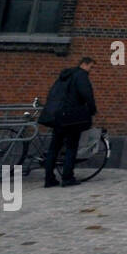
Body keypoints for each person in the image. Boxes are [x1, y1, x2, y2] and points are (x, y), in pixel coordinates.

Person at [42, 57, 97, 187]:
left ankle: (49, 178)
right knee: (71, 147)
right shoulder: (81, 76)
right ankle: (67, 177)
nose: (91, 70)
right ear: (84, 64)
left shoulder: (65, 76)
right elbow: (86, 94)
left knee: (54, 148)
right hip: (71, 118)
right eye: (91, 67)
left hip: (58, 116)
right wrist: (92, 109)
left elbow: (53, 93)